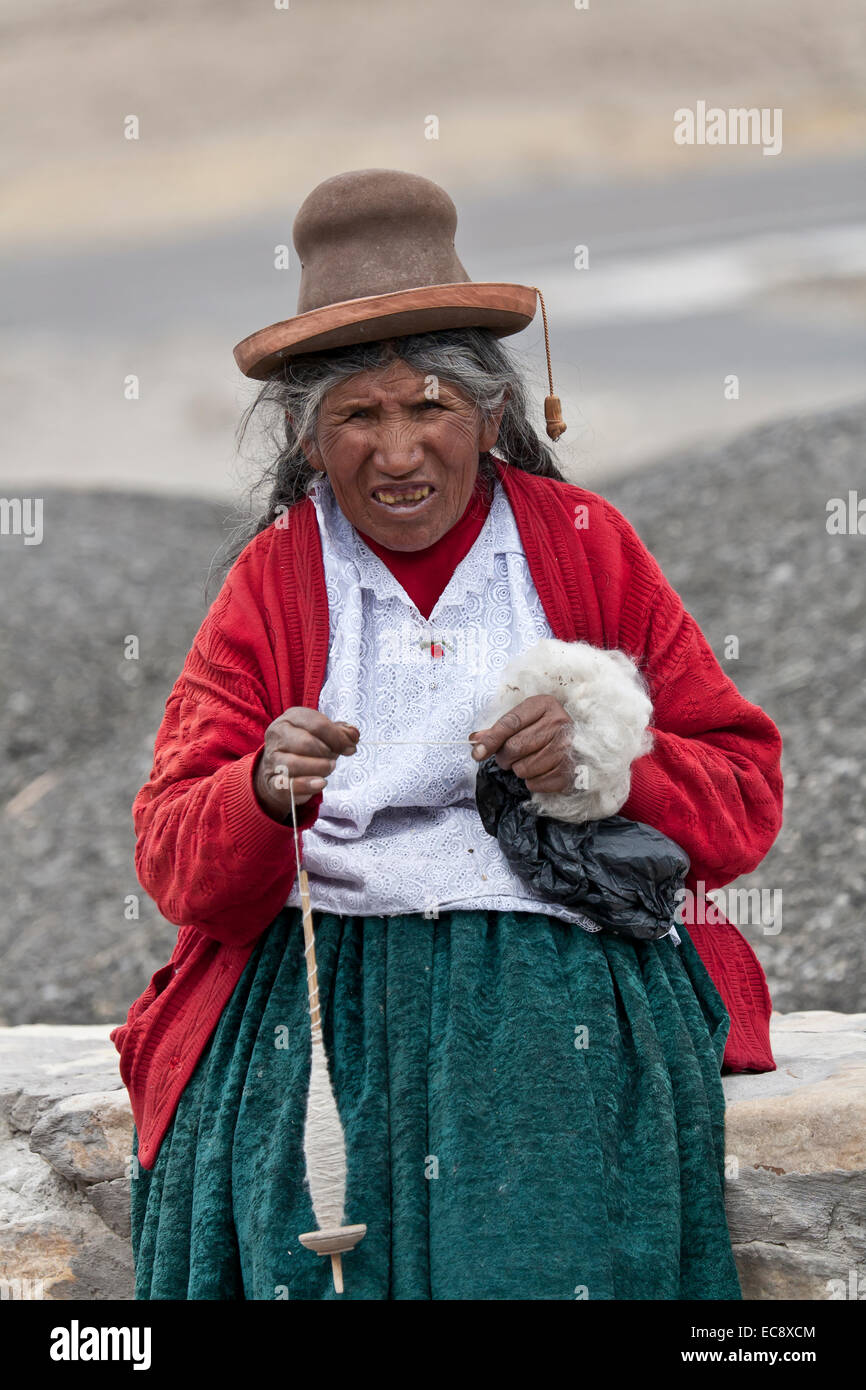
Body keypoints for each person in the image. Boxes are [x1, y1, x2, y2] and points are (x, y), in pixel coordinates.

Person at [113, 169, 783, 1300]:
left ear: (489, 413)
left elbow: (741, 797)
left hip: (554, 974)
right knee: (293, 1220)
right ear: (308, 437)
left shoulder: (582, 544)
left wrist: (610, 765)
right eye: (356, 416)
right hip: (321, 974)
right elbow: (173, 851)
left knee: (535, 1235)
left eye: (427, 405)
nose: (396, 451)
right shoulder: (276, 577)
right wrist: (259, 790)